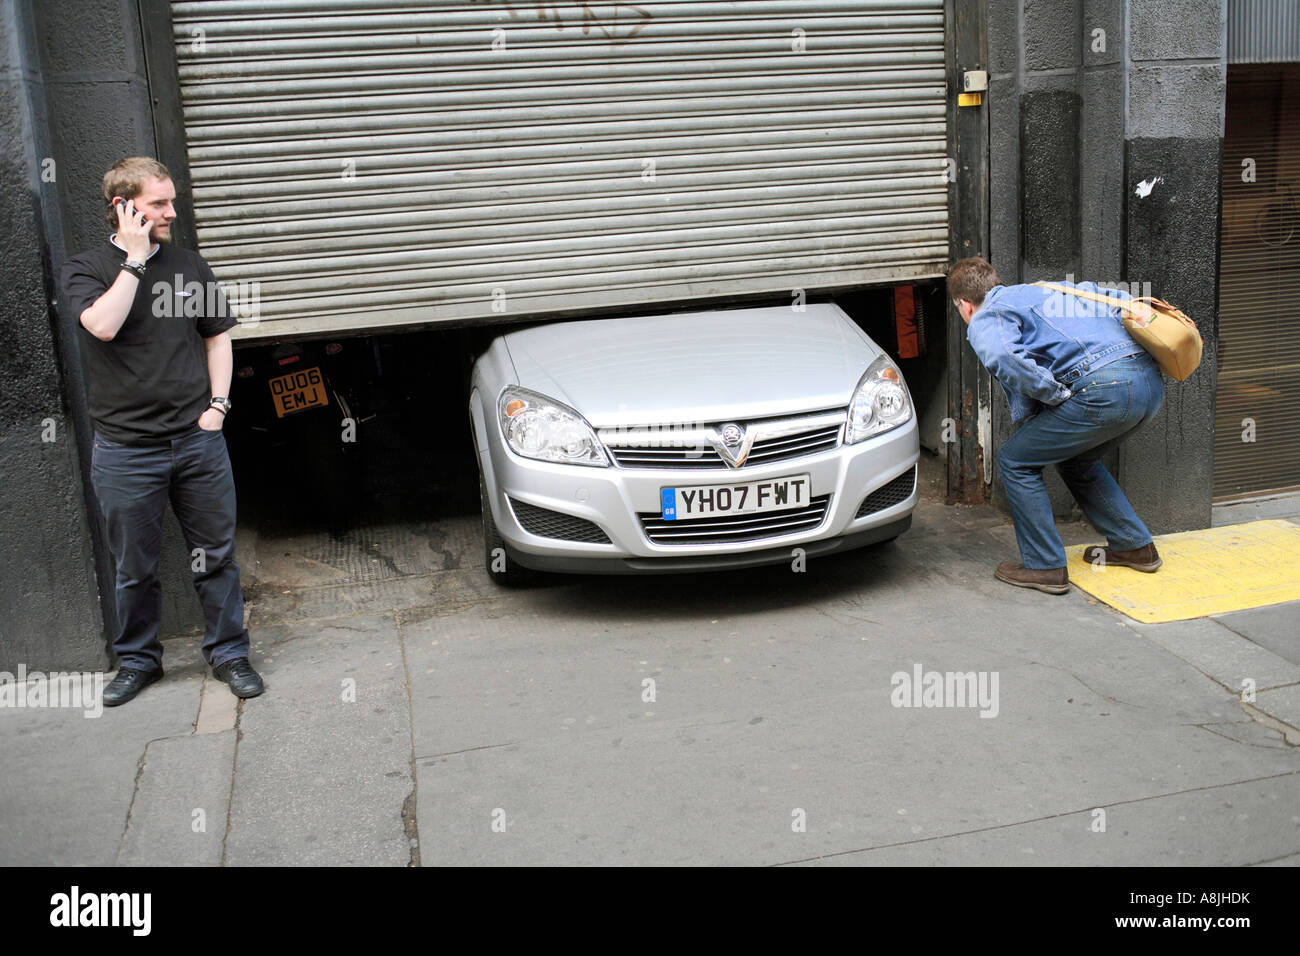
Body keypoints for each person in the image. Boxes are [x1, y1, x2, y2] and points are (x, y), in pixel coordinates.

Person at [61, 157, 264, 704]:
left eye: (171, 200)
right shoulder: (85, 269)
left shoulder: (189, 267)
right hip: (126, 451)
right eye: (158, 204)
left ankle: (230, 654)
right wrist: (133, 260)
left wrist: (218, 405)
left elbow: (216, 336)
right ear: (123, 208)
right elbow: (101, 326)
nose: (172, 211)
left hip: (197, 442)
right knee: (134, 567)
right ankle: (138, 662)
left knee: (216, 557)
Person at [947, 257, 1165, 595]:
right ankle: (1134, 547)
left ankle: (1044, 566)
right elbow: (1118, 301)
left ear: (963, 304)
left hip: (1103, 391)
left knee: (1015, 460)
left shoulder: (986, 314)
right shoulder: (1052, 290)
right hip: (1149, 385)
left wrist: (1054, 394)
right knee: (1076, 459)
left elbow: (1004, 357)